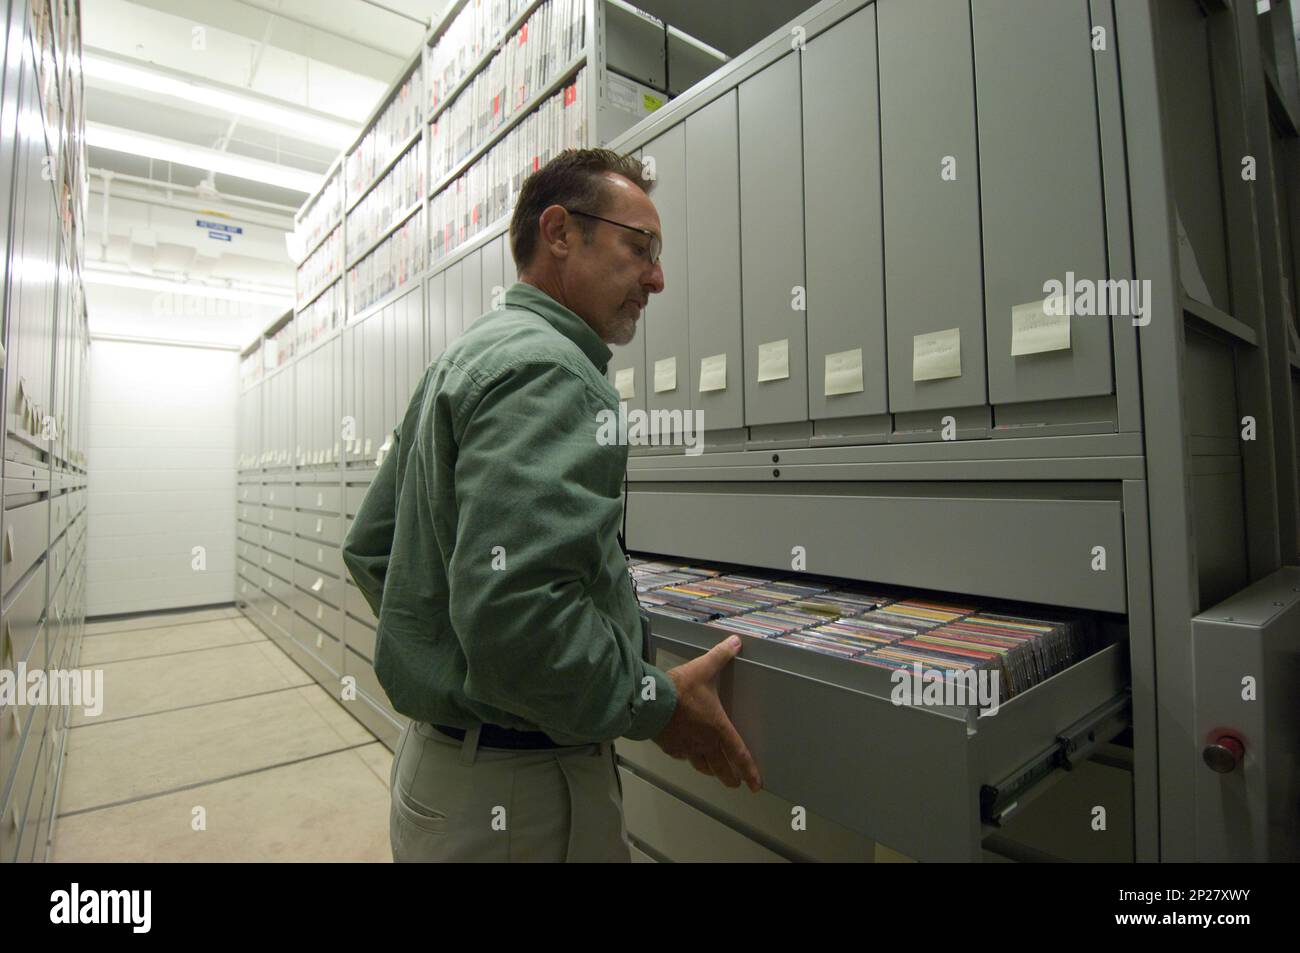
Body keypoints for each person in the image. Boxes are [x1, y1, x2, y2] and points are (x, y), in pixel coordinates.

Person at [342, 148, 760, 863]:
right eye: (639, 248)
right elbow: (517, 616)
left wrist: (456, 667)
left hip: (441, 776)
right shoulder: (551, 371)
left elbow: (374, 548)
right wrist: (654, 702)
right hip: (520, 798)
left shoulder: (468, 356)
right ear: (560, 232)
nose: (656, 278)